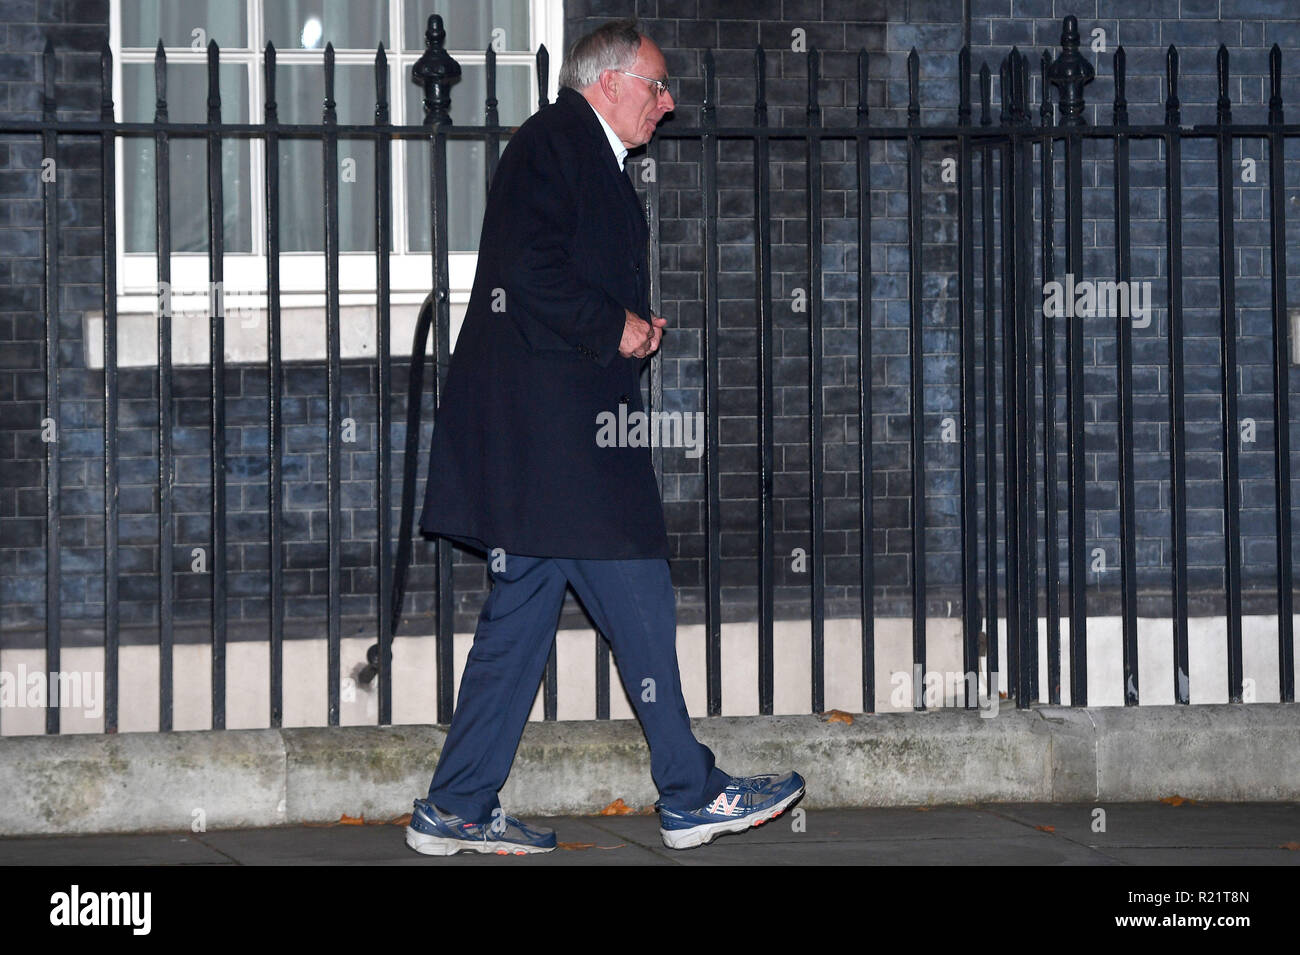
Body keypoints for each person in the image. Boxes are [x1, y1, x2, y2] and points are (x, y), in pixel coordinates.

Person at [405, 18, 804, 856]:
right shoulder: (554, 141)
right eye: (657, 85)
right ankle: (690, 793)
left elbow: (550, 270)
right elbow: (526, 266)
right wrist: (612, 325)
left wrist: (623, 325)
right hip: (560, 436)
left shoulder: (584, 154)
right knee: (637, 590)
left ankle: (457, 805)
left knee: (520, 619)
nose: (668, 102)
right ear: (610, 81)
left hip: (552, 436)